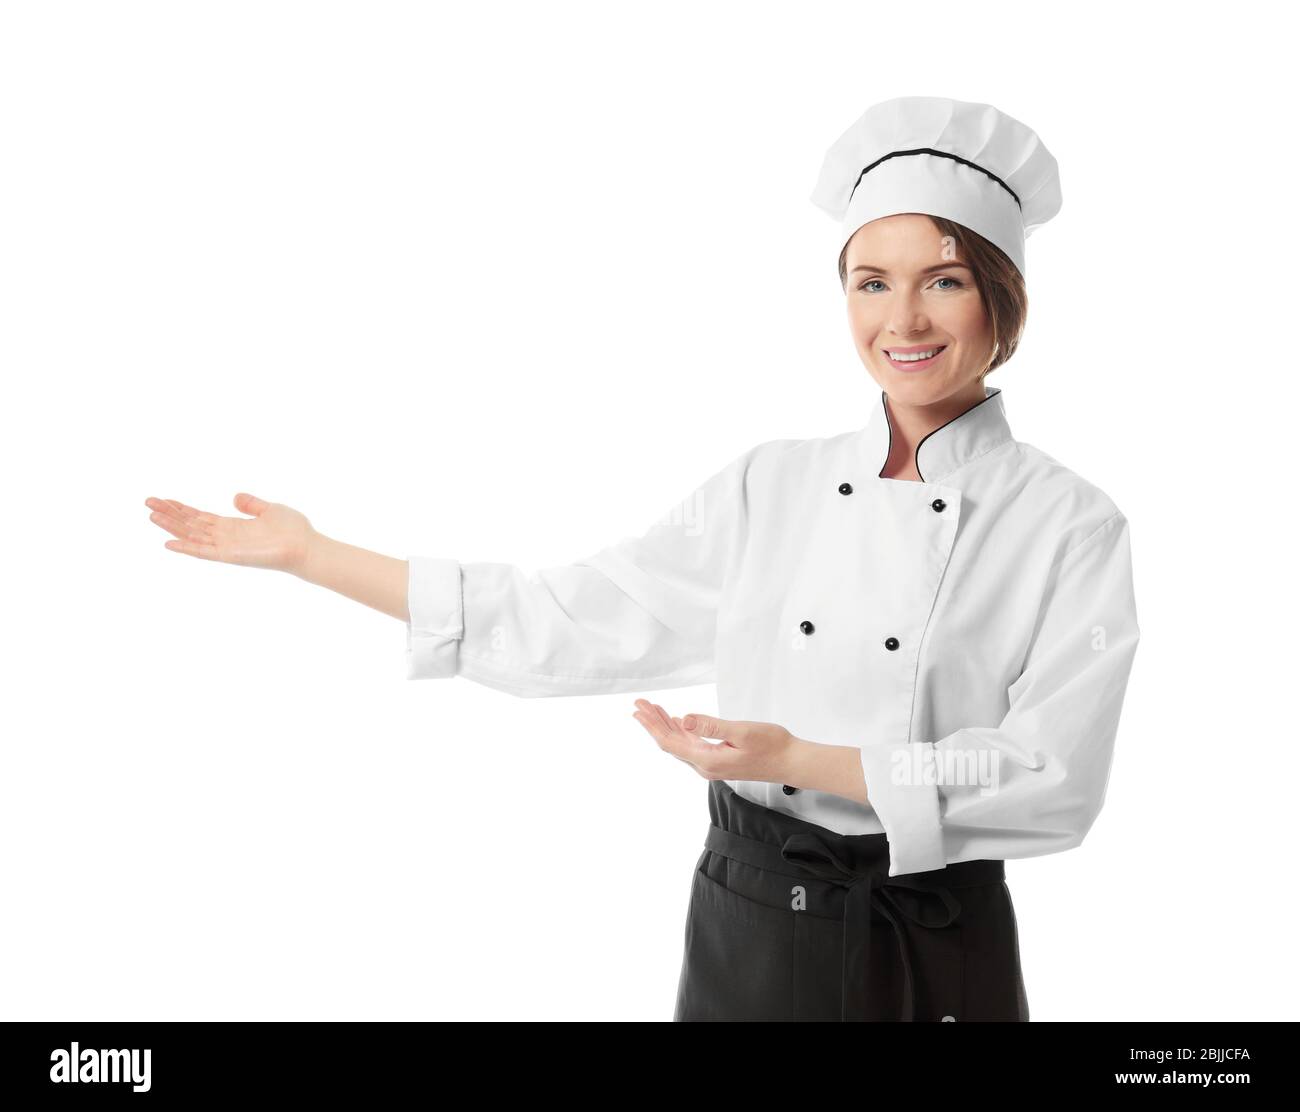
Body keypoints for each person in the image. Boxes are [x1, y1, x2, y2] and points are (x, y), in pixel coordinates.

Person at [144, 96, 1140, 1023]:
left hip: (927, 938)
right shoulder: (770, 483)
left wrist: (794, 758)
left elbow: (1048, 776)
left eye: (945, 281)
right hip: (747, 914)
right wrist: (314, 555)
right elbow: (568, 619)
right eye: (869, 282)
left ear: (1001, 297)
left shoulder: (1067, 522)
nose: (903, 321)